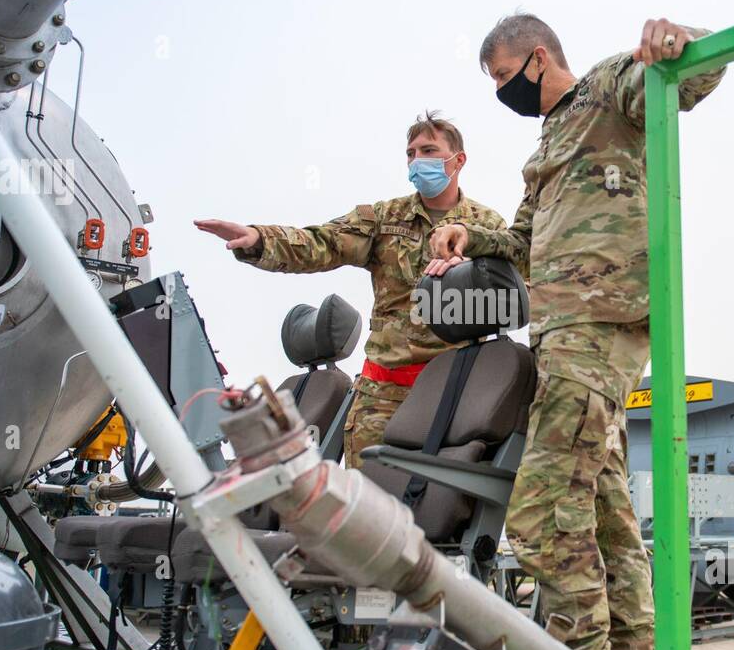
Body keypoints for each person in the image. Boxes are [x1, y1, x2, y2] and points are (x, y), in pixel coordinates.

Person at [426, 15, 726, 650]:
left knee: (540, 515)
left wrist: (677, 39)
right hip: (560, 338)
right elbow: (523, 238)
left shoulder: (606, 87)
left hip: (601, 328)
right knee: (605, 514)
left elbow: (695, 72)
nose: (501, 91)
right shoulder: (548, 142)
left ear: (538, 57)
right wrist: (470, 235)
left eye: (504, 76)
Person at [196, 112, 506, 468]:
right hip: (383, 395)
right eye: (411, 153)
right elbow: (323, 242)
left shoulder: (486, 226)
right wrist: (258, 239)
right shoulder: (385, 217)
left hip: (454, 391)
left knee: (442, 495)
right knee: (365, 494)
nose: (417, 160)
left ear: (458, 160)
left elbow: (515, 287)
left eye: (429, 151)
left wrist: (469, 273)